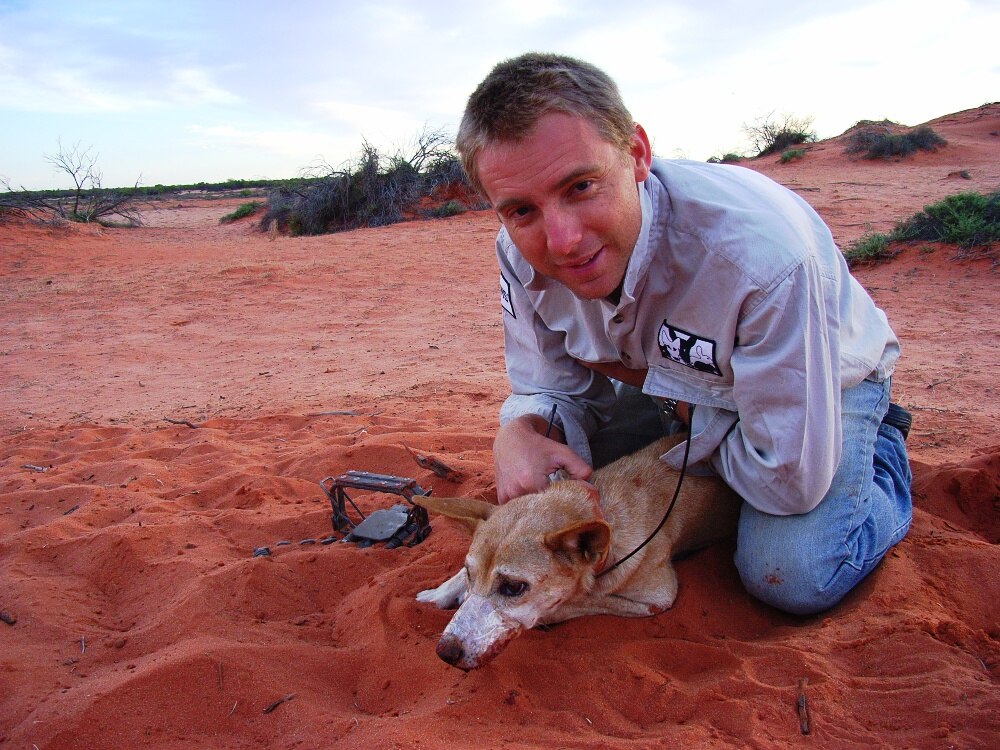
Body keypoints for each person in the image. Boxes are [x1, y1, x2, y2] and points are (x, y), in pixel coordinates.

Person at [455, 52, 913, 616]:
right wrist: (521, 428)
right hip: (667, 386)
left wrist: (674, 397)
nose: (563, 240)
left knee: (792, 573)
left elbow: (786, 482)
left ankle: (878, 453)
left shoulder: (760, 262)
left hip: (819, 380)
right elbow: (555, 388)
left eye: (580, 186)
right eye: (521, 210)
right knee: (568, 492)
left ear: (637, 153)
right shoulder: (519, 254)